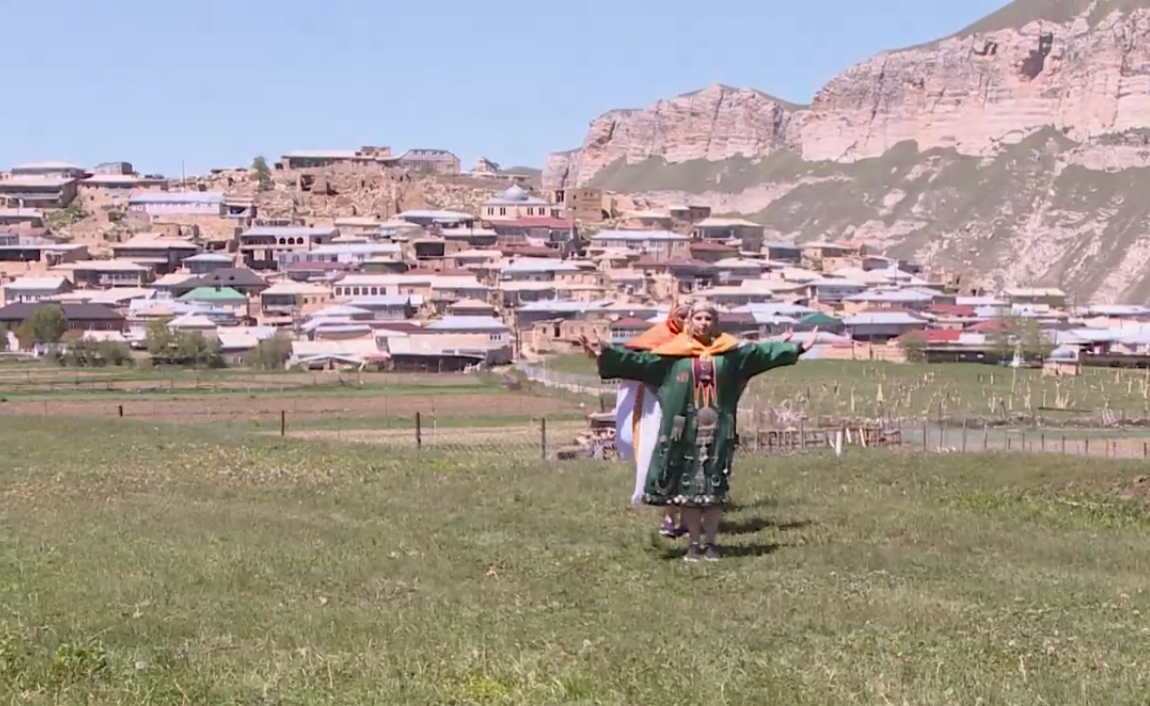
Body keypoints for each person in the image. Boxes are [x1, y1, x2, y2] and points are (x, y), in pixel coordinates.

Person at [581, 301, 817, 562]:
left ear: (715, 323)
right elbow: (637, 362)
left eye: (709, 318)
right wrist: (605, 352)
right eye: (699, 318)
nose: (704, 323)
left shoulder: (730, 353)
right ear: (690, 322)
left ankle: (712, 543)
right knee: (688, 490)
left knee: (714, 488)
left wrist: (796, 348)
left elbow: (761, 354)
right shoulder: (672, 355)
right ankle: (694, 544)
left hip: (718, 430)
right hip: (683, 430)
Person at [612, 302, 690, 537]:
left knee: (688, 458)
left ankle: (687, 518)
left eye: (690, 317)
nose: (686, 321)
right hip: (658, 404)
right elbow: (631, 362)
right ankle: (668, 516)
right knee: (666, 455)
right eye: (682, 316)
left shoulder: (701, 342)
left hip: (691, 403)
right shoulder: (657, 338)